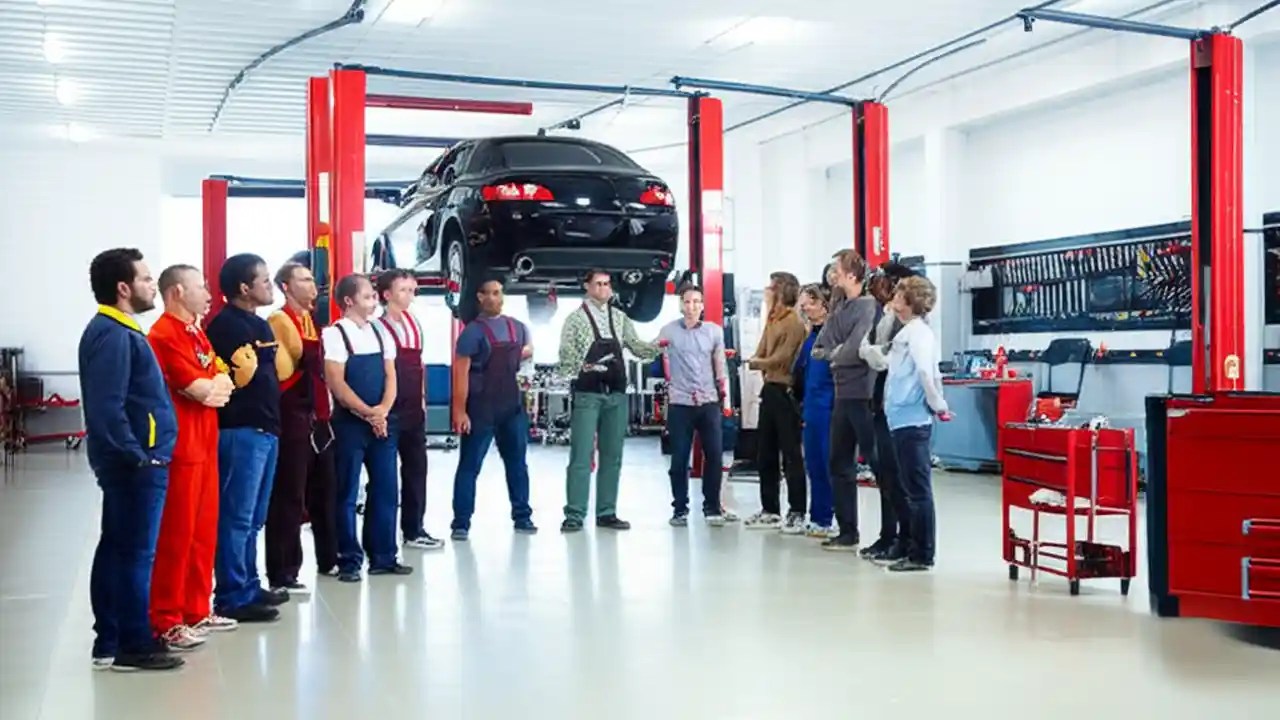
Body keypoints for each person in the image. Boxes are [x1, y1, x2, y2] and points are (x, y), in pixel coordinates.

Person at [79, 248, 182, 672]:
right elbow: (107, 408)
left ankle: (112, 639)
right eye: (145, 278)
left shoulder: (120, 331)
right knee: (135, 553)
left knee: (119, 548)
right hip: (134, 466)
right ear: (123, 288)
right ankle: (131, 644)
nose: (151, 284)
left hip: (135, 462)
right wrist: (139, 457)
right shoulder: (114, 335)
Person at [146, 265, 236, 652]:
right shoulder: (163, 334)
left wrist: (213, 384)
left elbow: (225, 380)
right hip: (182, 448)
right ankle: (166, 618)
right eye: (201, 287)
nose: (208, 294)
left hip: (207, 444)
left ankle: (196, 608)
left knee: (203, 533)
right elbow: (201, 388)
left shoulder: (196, 331)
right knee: (176, 535)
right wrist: (211, 385)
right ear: (178, 291)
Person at [205, 253, 286, 622]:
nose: (270, 286)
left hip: (267, 428)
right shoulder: (227, 326)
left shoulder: (261, 325)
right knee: (236, 516)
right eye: (265, 280)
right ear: (244, 288)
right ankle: (232, 594)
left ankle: (250, 584)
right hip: (240, 430)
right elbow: (239, 376)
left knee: (254, 517)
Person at [323, 273, 413, 582]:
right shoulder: (335, 334)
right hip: (350, 424)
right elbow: (337, 382)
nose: (374, 302)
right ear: (349, 301)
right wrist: (368, 414)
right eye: (367, 297)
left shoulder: (380, 332)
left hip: (383, 423)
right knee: (347, 492)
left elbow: (391, 375)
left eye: (374, 297)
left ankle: (384, 556)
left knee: (387, 489)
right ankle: (349, 560)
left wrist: (383, 411)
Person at [557, 269, 661, 532]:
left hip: (616, 395)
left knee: (613, 456)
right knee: (581, 455)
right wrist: (579, 370)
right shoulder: (575, 320)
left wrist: (660, 345)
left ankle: (606, 512)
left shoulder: (620, 318)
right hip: (587, 396)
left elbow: (636, 347)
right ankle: (574, 514)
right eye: (598, 284)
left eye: (607, 284)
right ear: (587, 286)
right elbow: (566, 357)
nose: (604, 289)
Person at [863, 275, 952, 572]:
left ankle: (922, 553)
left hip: (913, 420)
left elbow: (927, 374)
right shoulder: (906, 333)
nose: (893, 298)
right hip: (900, 419)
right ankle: (911, 546)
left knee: (917, 489)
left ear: (910, 301)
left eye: (899, 294)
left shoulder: (919, 335)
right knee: (907, 485)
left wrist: (939, 405)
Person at [265, 261, 339, 592]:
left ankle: (329, 558)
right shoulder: (279, 321)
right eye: (304, 280)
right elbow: (282, 371)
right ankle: (283, 572)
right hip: (291, 415)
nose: (313, 286)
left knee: (324, 491)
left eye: (313, 280)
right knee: (289, 496)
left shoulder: (311, 320)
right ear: (285, 286)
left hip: (317, 415)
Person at [449, 277, 537, 539]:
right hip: (480, 409)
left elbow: (527, 354)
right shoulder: (471, 333)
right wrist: (459, 411)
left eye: (497, 293)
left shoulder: (518, 327)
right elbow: (460, 373)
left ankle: (523, 517)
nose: (492, 298)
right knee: (469, 466)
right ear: (478, 297)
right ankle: (461, 523)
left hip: (512, 407)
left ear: (503, 295)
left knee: (518, 465)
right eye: (487, 293)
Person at [812, 249, 879, 551]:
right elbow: (820, 345)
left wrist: (836, 355)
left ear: (852, 275)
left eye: (837, 270)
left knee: (878, 463)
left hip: (862, 394)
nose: (832, 275)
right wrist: (836, 354)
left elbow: (854, 349)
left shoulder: (867, 307)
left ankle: (893, 534)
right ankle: (847, 530)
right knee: (838, 463)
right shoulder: (839, 305)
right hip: (842, 395)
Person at [375, 269, 442, 550]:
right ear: (387, 294)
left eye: (412, 289)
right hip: (391, 410)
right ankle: (383, 541)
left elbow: (421, 366)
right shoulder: (377, 328)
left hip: (415, 410)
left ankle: (414, 530)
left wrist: (424, 399)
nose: (410, 295)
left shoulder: (415, 323)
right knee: (386, 479)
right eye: (403, 290)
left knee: (417, 471)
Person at [657, 284, 728, 527]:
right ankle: (679, 508)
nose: (692, 306)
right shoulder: (668, 331)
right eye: (687, 301)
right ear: (681, 304)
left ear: (703, 305)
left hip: (708, 402)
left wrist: (725, 400)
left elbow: (721, 367)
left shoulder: (714, 332)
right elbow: (649, 351)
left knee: (715, 456)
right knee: (678, 459)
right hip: (680, 403)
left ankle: (712, 506)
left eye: (697, 301)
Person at [744, 271, 808, 532]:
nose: (767, 291)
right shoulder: (771, 319)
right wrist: (757, 361)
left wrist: (754, 362)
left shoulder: (793, 323)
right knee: (766, 452)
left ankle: (797, 509)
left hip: (785, 392)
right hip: (769, 389)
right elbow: (762, 350)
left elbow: (780, 358)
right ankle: (769, 509)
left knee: (791, 454)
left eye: (771, 287)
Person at [858, 267, 911, 563]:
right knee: (884, 476)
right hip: (879, 401)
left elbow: (883, 357)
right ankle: (888, 534)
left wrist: (871, 352)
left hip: (897, 407)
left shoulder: (909, 326)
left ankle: (905, 539)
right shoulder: (885, 317)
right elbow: (867, 348)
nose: (875, 285)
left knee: (897, 477)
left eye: (881, 280)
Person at [792, 284, 837, 538]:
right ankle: (818, 516)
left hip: (827, 406)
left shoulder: (832, 335)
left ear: (824, 304)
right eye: (803, 303)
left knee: (827, 462)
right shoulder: (811, 336)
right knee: (814, 464)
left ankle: (828, 517)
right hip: (811, 406)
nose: (805, 307)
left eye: (809, 302)